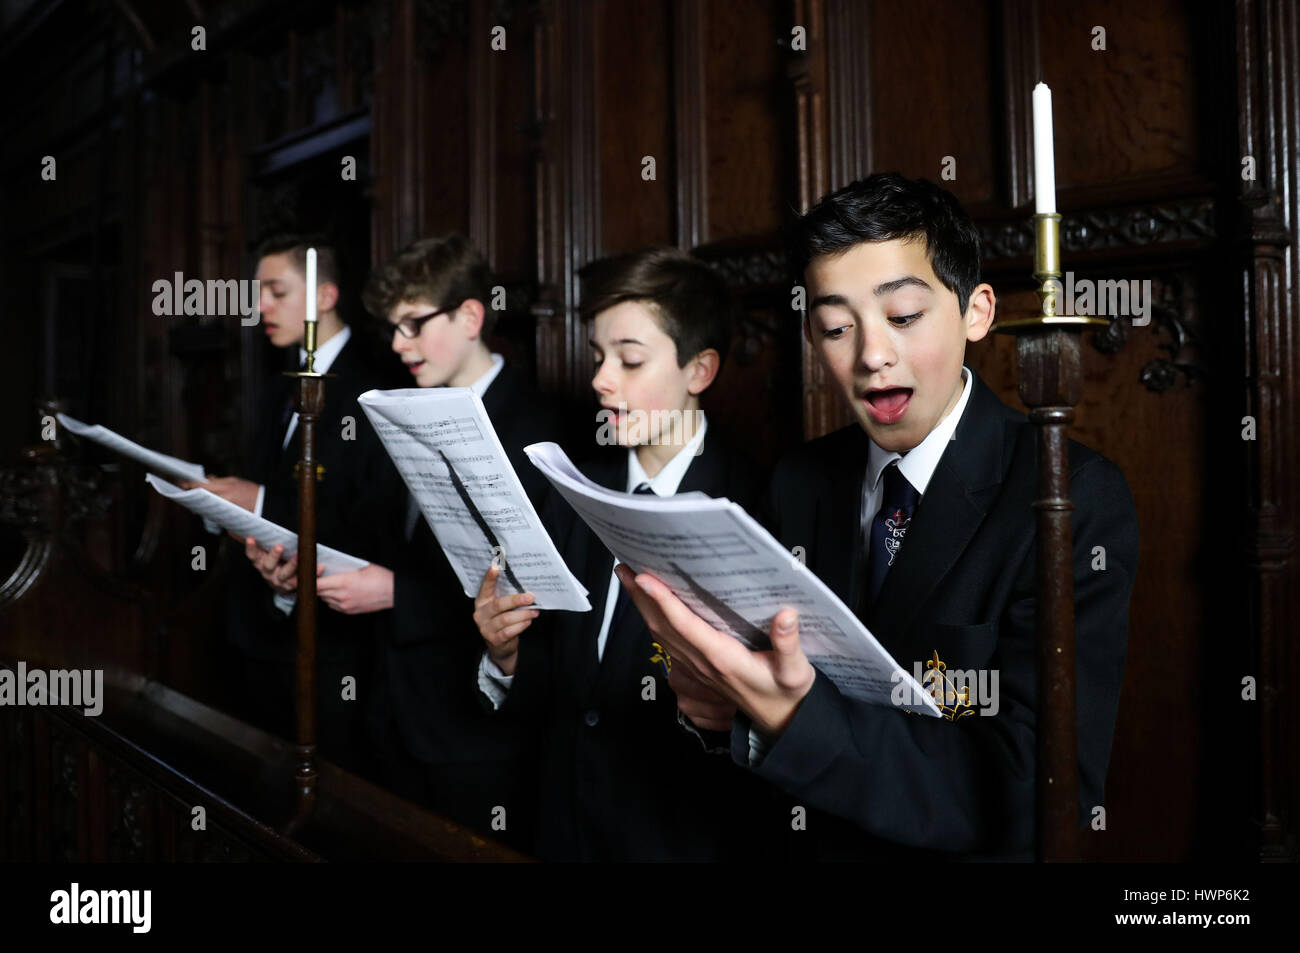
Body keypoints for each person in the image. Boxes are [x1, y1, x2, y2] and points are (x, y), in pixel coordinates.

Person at [614, 174, 1139, 861]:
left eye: (903, 316)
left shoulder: (1070, 497)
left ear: (976, 312)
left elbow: (1038, 795)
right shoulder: (799, 481)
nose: (870, 355)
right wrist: (723, 708)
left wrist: (794, 718)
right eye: (837, 327)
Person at [472, 246, 769, 861]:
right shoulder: (570, 487)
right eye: (599, 356)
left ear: (700, 371)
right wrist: (504, 655)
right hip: (557, 828)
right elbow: (555, 686)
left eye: (630, 360)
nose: (601, 379)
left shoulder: (758, 506)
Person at [311, 233, 561, 850]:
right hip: (387, 713)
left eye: (414, 325)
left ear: (471, 316)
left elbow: (540, 595)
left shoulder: (540, 427)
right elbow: (379, 536)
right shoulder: (401, 410)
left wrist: (399, 593)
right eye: (393, 329)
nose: (399, 345)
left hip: (476, 735)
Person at [190, 234, 406, 777]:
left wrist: (258, 499)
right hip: (259, 624)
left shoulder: (376, 384)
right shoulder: (274, 386)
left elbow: (370, 515)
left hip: (337, 645)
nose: (261, 305)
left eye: (276, 291)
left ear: (326, 297)